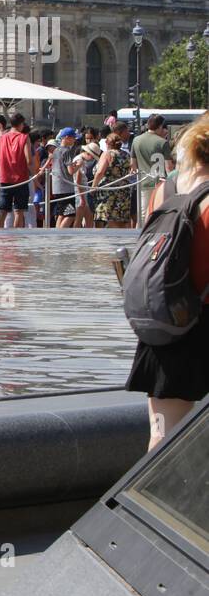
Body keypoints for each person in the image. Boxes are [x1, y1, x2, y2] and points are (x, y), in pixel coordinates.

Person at [125, 113, 209, 450]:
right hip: (204, 320)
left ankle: (146, 499)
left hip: (165, 327)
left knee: (161, 435)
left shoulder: (165, 190)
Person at [132, 114, 176, 223]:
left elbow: (133, 165)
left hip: (143, 182)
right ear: (160, 126)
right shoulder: (162, 142)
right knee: (160, 213)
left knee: (143, 213)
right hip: (161, 183)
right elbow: (169, 167)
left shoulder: (136, 140)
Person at [0, 112, 36, 228]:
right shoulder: (24, 137)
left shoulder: (1, 138)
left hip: (5, 178)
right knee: (19, 211)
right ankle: (16, 238)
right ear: (21, 124)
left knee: (2, 211)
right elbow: (29, 160)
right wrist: (34, 174)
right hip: (21, 178)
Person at [92, 131, 135, 227]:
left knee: (104, 218)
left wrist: (93, 186)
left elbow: (100, 172)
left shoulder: (107, 154)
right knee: (121, 219)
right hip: (124, 189)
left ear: (107, 143)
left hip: (109, 190)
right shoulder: (126, 154)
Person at [48, 128, 82, 227]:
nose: (74, 140)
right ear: (67, 138)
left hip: (57, 187)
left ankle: (57, 234)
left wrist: (73, 164)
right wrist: (79, 165)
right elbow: (70, 171)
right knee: (71, 214)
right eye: (73, 138)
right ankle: (61, 232)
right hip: (66, 188)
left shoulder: (55, 151)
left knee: (61, 214)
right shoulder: (67, 151)